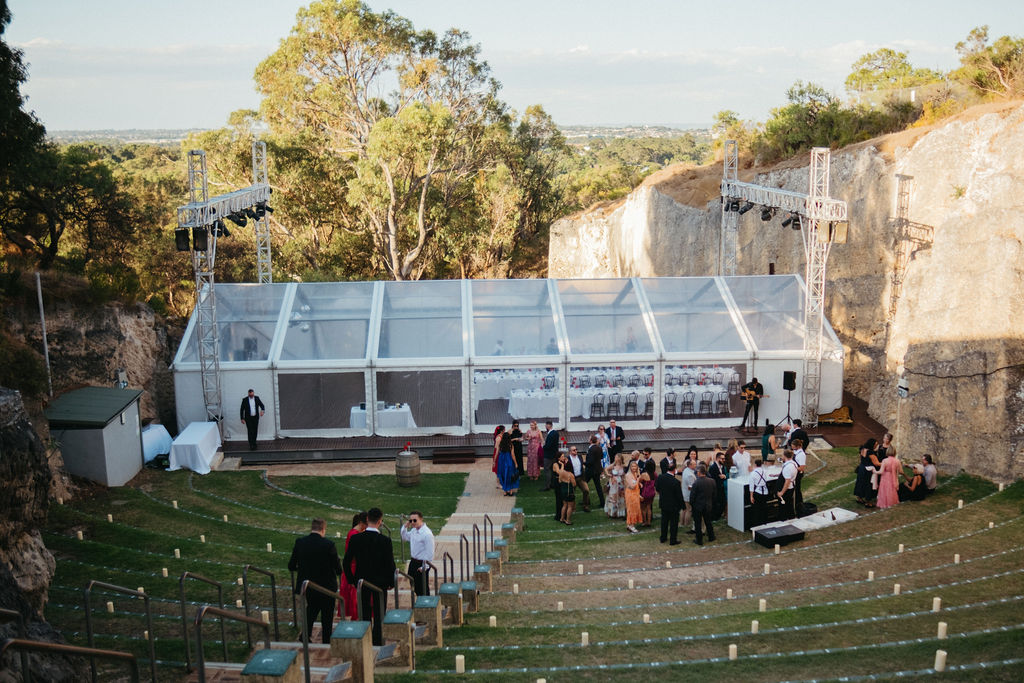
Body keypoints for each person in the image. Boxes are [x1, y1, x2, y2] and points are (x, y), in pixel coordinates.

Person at [343, 507, 396, 646]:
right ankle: (377, 641)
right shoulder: (385, 541)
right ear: (380, 521)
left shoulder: (356, 539)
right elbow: (390, 563)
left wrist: (352, 580)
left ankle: (366, 640)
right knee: (379, 614)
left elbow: (346, 561)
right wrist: (392, 582)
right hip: (380, 582)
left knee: (365, 613)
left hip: (362, 581)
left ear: (367, 519)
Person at [289, 518, 342, 644]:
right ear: (323, 529)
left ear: (312, 528)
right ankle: (326, 640)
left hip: (308, 586)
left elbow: (291, 565)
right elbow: (338, 568)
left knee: (312, 609)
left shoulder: (300, 542)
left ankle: (305, 635)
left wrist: (302, 570)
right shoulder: (329, 545)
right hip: (327, 587)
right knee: (327, 614)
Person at [339, 512, 367, 621]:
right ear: (361, 523)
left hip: (353, 567)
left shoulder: (354, 532)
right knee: (355, 599)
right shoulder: (354, 534)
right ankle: (356, 620)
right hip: (353, 568)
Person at [400, 510, 435, 596]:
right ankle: (420, 601)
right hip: (414, 561)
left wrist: (425, 566)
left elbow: (430, 552)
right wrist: (405, 527)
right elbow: (404, 537)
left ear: (421, 519)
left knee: (422, 587)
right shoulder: (413, 531)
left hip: (422, 563)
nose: (412, 522)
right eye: (411, 520)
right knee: (414, 584)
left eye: (415, 520)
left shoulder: (427, 534)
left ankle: (426, 604)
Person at [655, 458, 684, 544]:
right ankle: (673, 539)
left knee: (664, 522)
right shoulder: (676, 482)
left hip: (664, 503)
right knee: (673, 523)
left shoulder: (660, 477)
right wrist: (682, 505)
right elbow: (679, 496)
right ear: (674, 470)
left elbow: (657, 488)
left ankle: (663, 538)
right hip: (673, 506)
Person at [690, 464, 717, 546]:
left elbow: (692, 497)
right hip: (708, 505)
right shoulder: (712, 481)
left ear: (699, 472)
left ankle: (699, 540)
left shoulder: (696, 483)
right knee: (708, 522)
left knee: (698, 524)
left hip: (698, 506)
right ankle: (711, 536)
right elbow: (714, 494)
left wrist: (693, 505)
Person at [853, 438, 881, 507]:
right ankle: (868, 502)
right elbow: (876, 463)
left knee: (860, 483)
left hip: (862, 468)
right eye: (875, 444)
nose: (876, 446)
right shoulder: (870, 452)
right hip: (868, 471)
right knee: (868, 485)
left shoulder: (862, 449)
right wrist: (886, 463)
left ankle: (859, 498)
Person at [564, 445, 589, 510]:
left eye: (576, 449)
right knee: (571, 493)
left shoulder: (580, 457)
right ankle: (571, 507)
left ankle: (585, 505)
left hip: (580, 478)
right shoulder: (567, 459)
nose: (576, 451)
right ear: (570, 452)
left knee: (586, 490)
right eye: (574, 450)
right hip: (572, 478)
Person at [584, 436, 606, 510]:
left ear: (590, 441)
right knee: (598, 487)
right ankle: (602, 502)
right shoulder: (599, 447)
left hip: (590, 470)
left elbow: (590, 462)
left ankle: (586, 501)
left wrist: (584, 463)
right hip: (597, 470)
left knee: (583, 485)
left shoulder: (591, 449)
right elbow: (602, 457)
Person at [496, 432, 519, 496]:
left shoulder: (500, 444)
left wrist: (494, 461)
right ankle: (510, 491)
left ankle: (505, 491)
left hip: (501, 462)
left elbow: (498, 452)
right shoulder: (510, 445)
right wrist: (516, 463)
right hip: (508, 461)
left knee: (503, 475)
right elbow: (512, 455)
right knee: (509, 475)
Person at [749, 458, 770, 527]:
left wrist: (751, 496)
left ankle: (757, 524)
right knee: (764, 508)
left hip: (758, 492)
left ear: (755, 464)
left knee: (757, 509)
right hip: (765, 492)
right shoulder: (764, 471)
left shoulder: (753, 473)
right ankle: (764, 522)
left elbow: (751, 486)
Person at [604, 452, 626, 518]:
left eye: (617, 457)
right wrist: (608, 474)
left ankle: (620, 512)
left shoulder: (623, 466)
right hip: (613, 484)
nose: (616, 459)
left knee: (620, 498)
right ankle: (612, 512)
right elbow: (606, 469)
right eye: (615, 457)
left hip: (621, 484)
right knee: (612, 497)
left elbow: (624, 475)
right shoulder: (613, 466)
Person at [777, 449, 798, 520]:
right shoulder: (794, 463)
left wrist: (781, 492)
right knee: (789, 503)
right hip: (791, 486)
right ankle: (791, 517)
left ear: (784, 456)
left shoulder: (788, 467)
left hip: (787, 489)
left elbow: (787, 481)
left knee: (784, 505)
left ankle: (784, 519)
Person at [623, 460, 643, 534]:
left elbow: (636, 483)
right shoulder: (628, 475)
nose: (634, 468)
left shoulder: (635, 474)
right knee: (632, 509)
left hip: (635, 493)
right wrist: (638, 480)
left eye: (635, 466)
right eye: (632, 466)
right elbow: (632, 486)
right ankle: (631, 525)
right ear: (630, 467)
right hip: (630, 494)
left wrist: (639, 483)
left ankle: (630, 524)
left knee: (635, 509)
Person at [540, 421, 560, 492]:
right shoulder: (556, 433)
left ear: (548, 426)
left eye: (546, 425)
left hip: (548, 455)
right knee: (553, 470)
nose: (545, 427)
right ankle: (553, 484)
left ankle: (547, 486)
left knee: (547, 470)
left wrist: (543, 446)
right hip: (554, 454)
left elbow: (548, 446)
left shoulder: (550, 434)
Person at [708, 451, 728, 520]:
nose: (724, 460)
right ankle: (714, 517)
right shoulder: (713, 467)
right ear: (717, 459)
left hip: (721, 487)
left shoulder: (722, 467)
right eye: (722, 459)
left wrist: (724, 476)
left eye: (724, 459)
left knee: (722, 502)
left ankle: (718, 515)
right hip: (715, 488)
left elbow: (725, 475)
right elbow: (711, 478)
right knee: (716, 503)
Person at [556, 455, 576, 525]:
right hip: (569, 491)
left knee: (564, 505)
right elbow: (574, 484)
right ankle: (568, 520)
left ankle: (562, 518)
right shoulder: (571, 475)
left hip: (563, 491)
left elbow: (559, 481)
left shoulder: (561, 472)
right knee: (570, 506)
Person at [680, 457, 697, 533]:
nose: (696, 465)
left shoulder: (686, 470)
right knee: (689, 510)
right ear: (690, 465)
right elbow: (691, 486)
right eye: (694, 464)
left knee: (684, 509)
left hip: (684, 492)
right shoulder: (690, 474)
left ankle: (682, 522)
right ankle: (686, 523)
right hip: (688, 494)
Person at [791, 438, 807, 515]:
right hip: (794, 473)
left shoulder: (801, 455)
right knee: (795, 489)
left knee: (797, 490)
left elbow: (802, 468)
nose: (792, 447)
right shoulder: (796, 452)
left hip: (798, 474)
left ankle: (799, 505)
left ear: (797, 446)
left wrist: (792, 466)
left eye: (793, 446)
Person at [639, 459, 657, 528]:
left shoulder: (644, 474)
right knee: (649, 507)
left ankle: (644, 521)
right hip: (652, 492)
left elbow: (638, 481)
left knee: (643, 508)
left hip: (645, 492)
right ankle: (649, 521)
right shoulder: (654, 474)